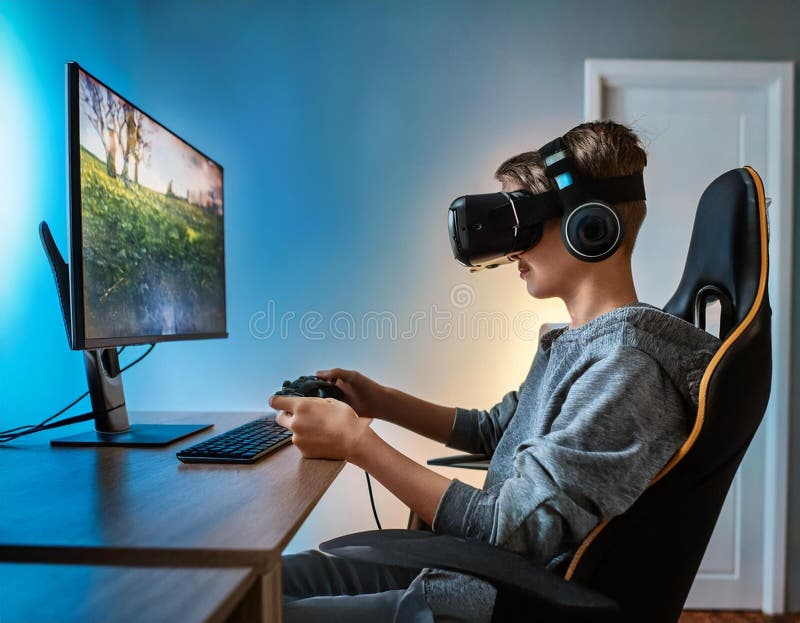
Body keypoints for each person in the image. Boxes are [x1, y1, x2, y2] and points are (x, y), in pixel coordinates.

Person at [270, 120, 722, 623]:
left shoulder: (625, 371)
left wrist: (357, 445)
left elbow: (512, 529)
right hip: (469, 570)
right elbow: (495, 430)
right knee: (254, 584)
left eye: (523, 227)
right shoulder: (577, 344)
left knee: (248, 611)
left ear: (588, 225)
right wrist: (381, 402)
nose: (511, 251)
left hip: (492, 603)